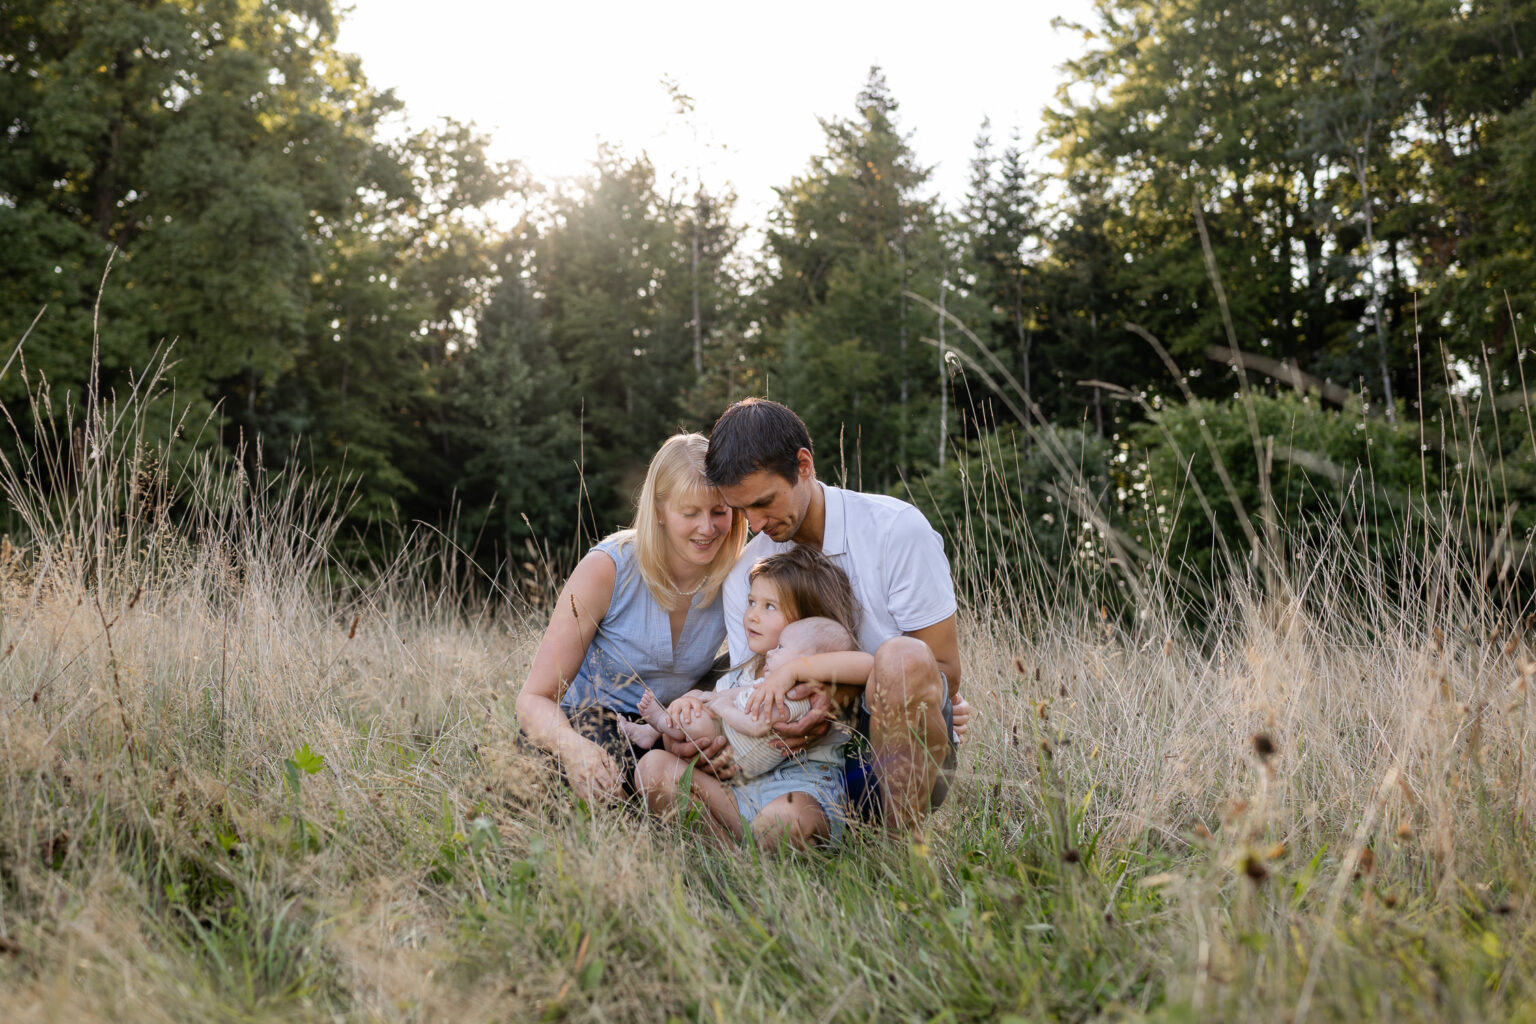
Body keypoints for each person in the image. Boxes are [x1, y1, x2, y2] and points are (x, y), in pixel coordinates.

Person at [676, 398, 964, 832]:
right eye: (742, 510)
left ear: (804, 466)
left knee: (903, 657)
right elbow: (755, 681)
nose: (755, 523)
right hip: (796, 758)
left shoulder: (896, 530)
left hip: (894, 748)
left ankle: (899, 856)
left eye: (765, 502)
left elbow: (941, 670)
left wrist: (839, 695)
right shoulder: (747, 574)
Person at [514, 433, 746, 803]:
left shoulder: (739, 576)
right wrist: (575, 750)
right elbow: (533, 699)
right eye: (690, 513)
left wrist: (710, 727)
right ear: (659, 511)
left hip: (667, 729)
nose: (708, 528)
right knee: (608, 785)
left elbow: (753, 666)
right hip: (587, 724)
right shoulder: (608, 568)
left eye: (720, 511)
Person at [636, 548, 871, 848]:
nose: (752, 615)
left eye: (769, 606)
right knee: (652, 767)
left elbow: (870, 665)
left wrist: (794, 670)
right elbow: (707, 713)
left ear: (809, 620)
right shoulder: (741, 675)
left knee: (787, 821)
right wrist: (684, 713)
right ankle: (730, 858)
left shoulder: (823, 678)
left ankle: (751, 854)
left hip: (797, 792)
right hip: (735, 792)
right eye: (751, 603)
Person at [629, 616, 862, 776]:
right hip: (728, 730)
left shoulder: (794, 699)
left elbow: (757, 726)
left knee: (696, 719)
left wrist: (721, 707)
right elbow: (740, 692)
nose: (771, 652)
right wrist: (712, 698)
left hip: (734, 752)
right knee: (695, 696)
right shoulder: (777, 683)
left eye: (781, 648)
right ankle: (651, 732)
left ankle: (661, 722)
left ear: (810, 662)